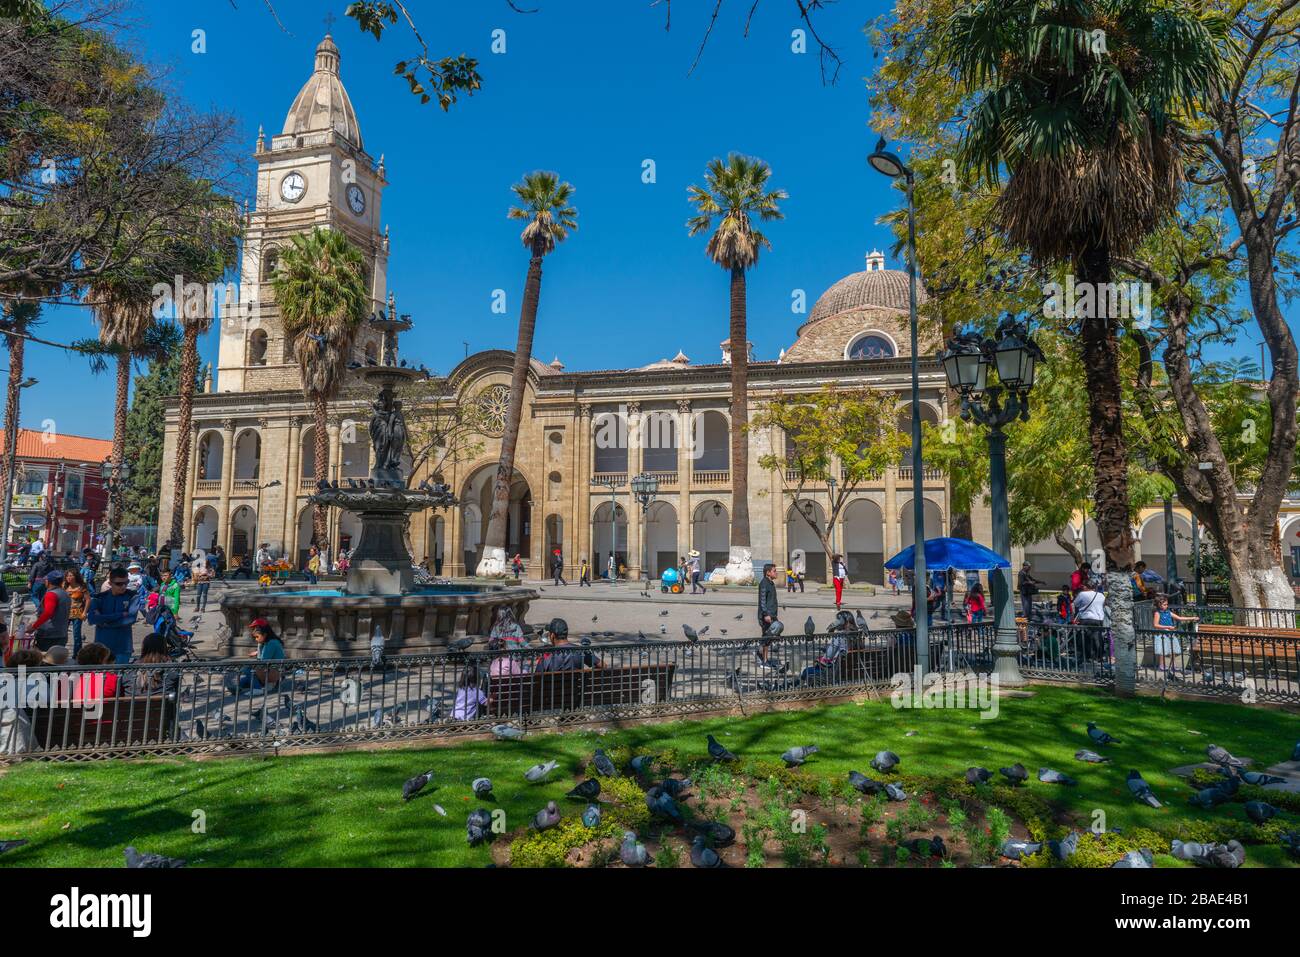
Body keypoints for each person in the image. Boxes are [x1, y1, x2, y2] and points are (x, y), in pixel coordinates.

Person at [86, 565, 142, 664]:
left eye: (126, 582)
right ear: (110, 583)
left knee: (119, 678)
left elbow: (130, 619)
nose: (124, 586)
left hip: (122, 647)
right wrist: (119, 615)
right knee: (100, 678)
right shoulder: (99, 598)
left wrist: (103, 621)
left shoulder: (133, 597)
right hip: (101, 647)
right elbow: (92, 619)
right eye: (119, 584)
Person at [227, 618, 284, 692]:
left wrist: (259, 646)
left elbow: (262, 660)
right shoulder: (267, 642)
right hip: (269, 669)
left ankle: (257, 689)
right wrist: (258, 648)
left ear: (265, 633)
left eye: (257, 637)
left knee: (248, 670)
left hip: (274, 671)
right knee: (247, 678)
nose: (256, 639)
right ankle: (238, 687)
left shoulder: (271, 643)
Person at [25, 570, 71, 653]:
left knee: (45, 660)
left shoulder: (51, 594)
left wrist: (34, 626)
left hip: (49, 634)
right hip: (62, 633)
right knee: (56, 661)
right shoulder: (65, 593)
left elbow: (48, 613)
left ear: (48, 581)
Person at [534, 619, 601, 671]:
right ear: (566, 634)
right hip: (576, 688)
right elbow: (603, 666)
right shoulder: (580, 651)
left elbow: (536, 681)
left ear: (552, 635)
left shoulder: (546, 657)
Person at [1152, 594, 1195, 673]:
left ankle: (1173, 665)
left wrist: (1192, 618)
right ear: (1159, 604)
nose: (1166, 606)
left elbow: (1179, 618)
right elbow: (1155, 625)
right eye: (1164, 604)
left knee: (1173, 650)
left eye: (1167, 604)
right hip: (1162, 634)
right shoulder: (1157, 613)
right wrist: (1168, 627)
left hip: (1170, 633)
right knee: (1163, 650)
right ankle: (1161, 665)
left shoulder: (1168, 612)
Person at [1071, 581, 1106, 661]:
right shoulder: (1101, 595)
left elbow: (1074, 604)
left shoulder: (1082, 594)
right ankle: (1099, 656)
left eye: (1083, 586)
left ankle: (1088, 656)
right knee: (1098, 638)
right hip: (1099, 619)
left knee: (1086, 638)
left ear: (1086, 587)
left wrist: (1074, 616)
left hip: (1086, 618)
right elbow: (1103, 605)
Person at [64, 568, 91, 656]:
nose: (69, 577)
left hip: (77, 613)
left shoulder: (81, 587)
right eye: (67, 576)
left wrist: (85, 612)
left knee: (76, 635)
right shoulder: (64, 586)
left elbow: (88, 600)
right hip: (65, 613)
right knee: (63, 634)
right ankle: (61, 653)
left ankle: (77, 654)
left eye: (71, 575)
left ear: (75, 577)